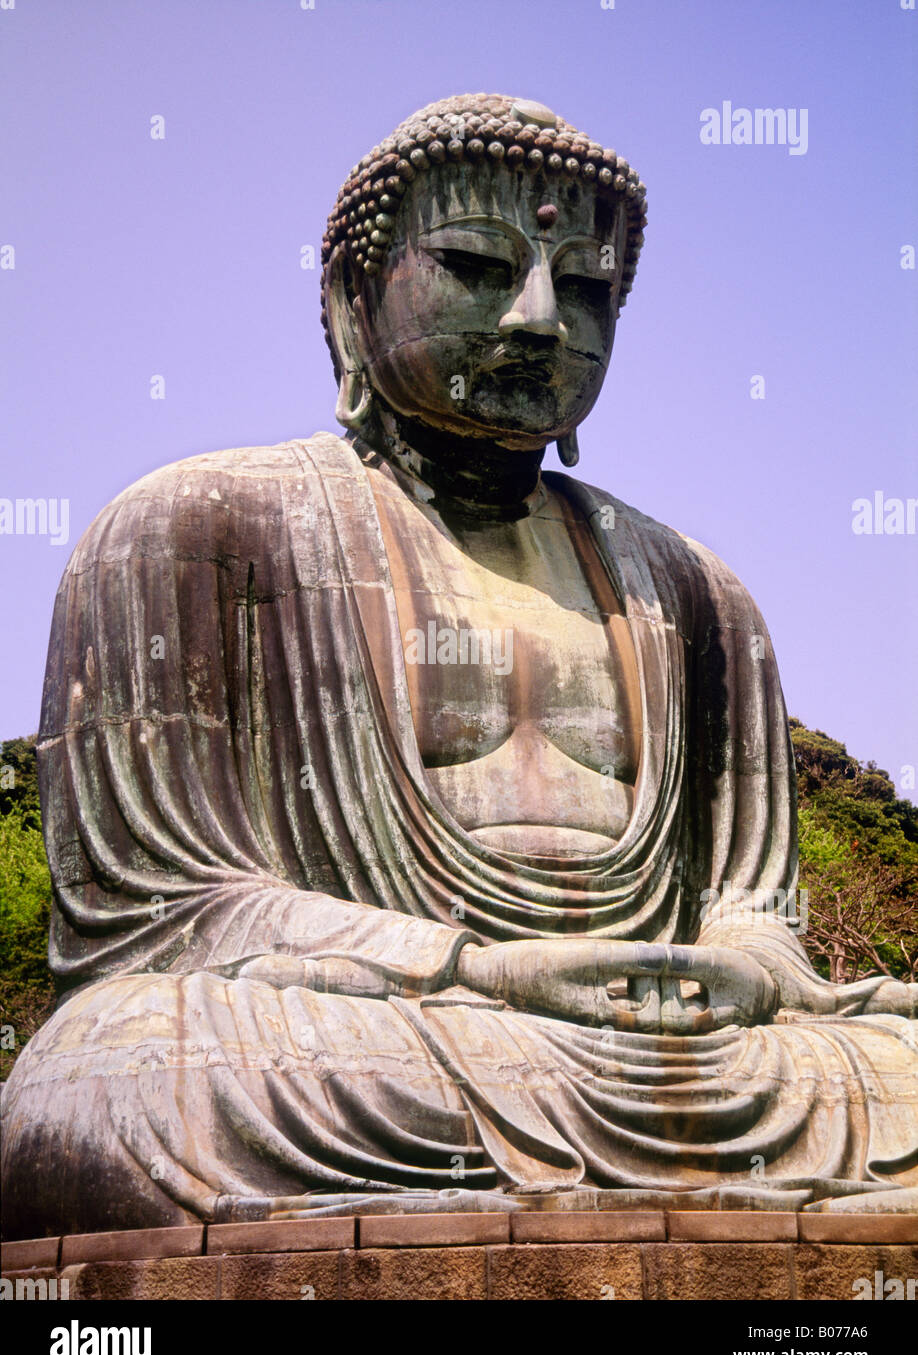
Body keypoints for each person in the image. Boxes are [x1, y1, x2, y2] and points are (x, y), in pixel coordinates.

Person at [3, 94, 915, 1237]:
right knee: (116, 1070)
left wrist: (738, 966)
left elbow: (750, 905)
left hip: (679, 1055)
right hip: (391, 1036)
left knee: (897, 1063)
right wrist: (471, 970)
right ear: (347, 305)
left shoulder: (696, 593)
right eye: (480, 265)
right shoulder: (189, 530)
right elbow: (153, 918)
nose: (538, 319)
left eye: (583, 286)